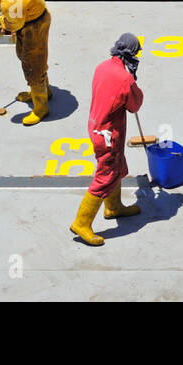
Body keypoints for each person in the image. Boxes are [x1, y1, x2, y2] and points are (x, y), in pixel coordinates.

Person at [70, 33, 144, 246]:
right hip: (109, 134)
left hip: (96, 125)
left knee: (117, 166)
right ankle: (81, 222)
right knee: (107, 174)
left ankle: (113, 207)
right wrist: (133, 82)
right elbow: (134, 106)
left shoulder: (101, 67)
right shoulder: (125, 79)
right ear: (132, 54)